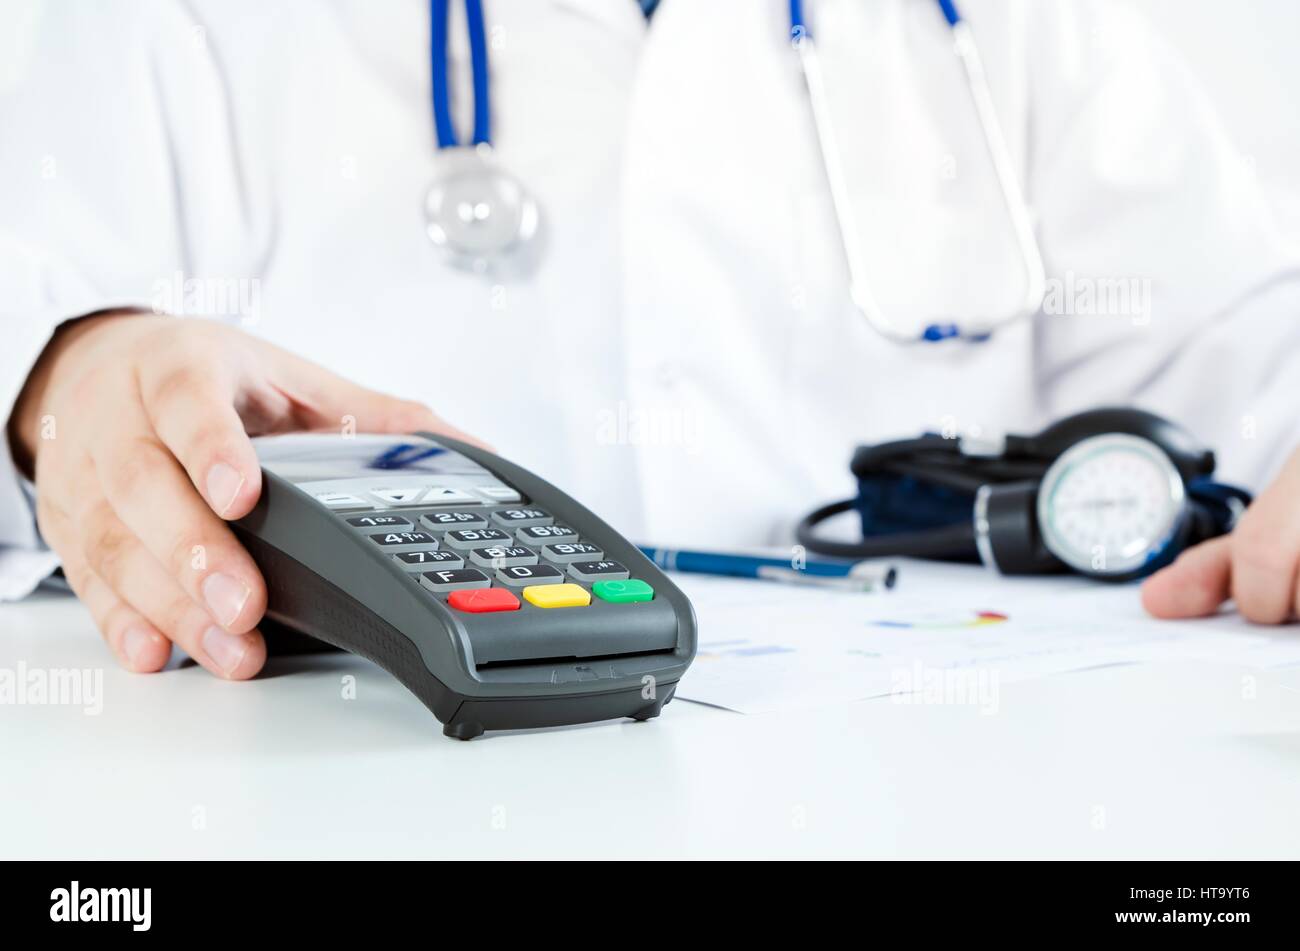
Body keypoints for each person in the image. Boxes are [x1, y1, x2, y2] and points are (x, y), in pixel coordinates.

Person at [2, 0, 1298, 681]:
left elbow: (1253, 356)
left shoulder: (1021, 26)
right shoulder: (173, 20)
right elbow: (40, 329)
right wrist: (64, 385)